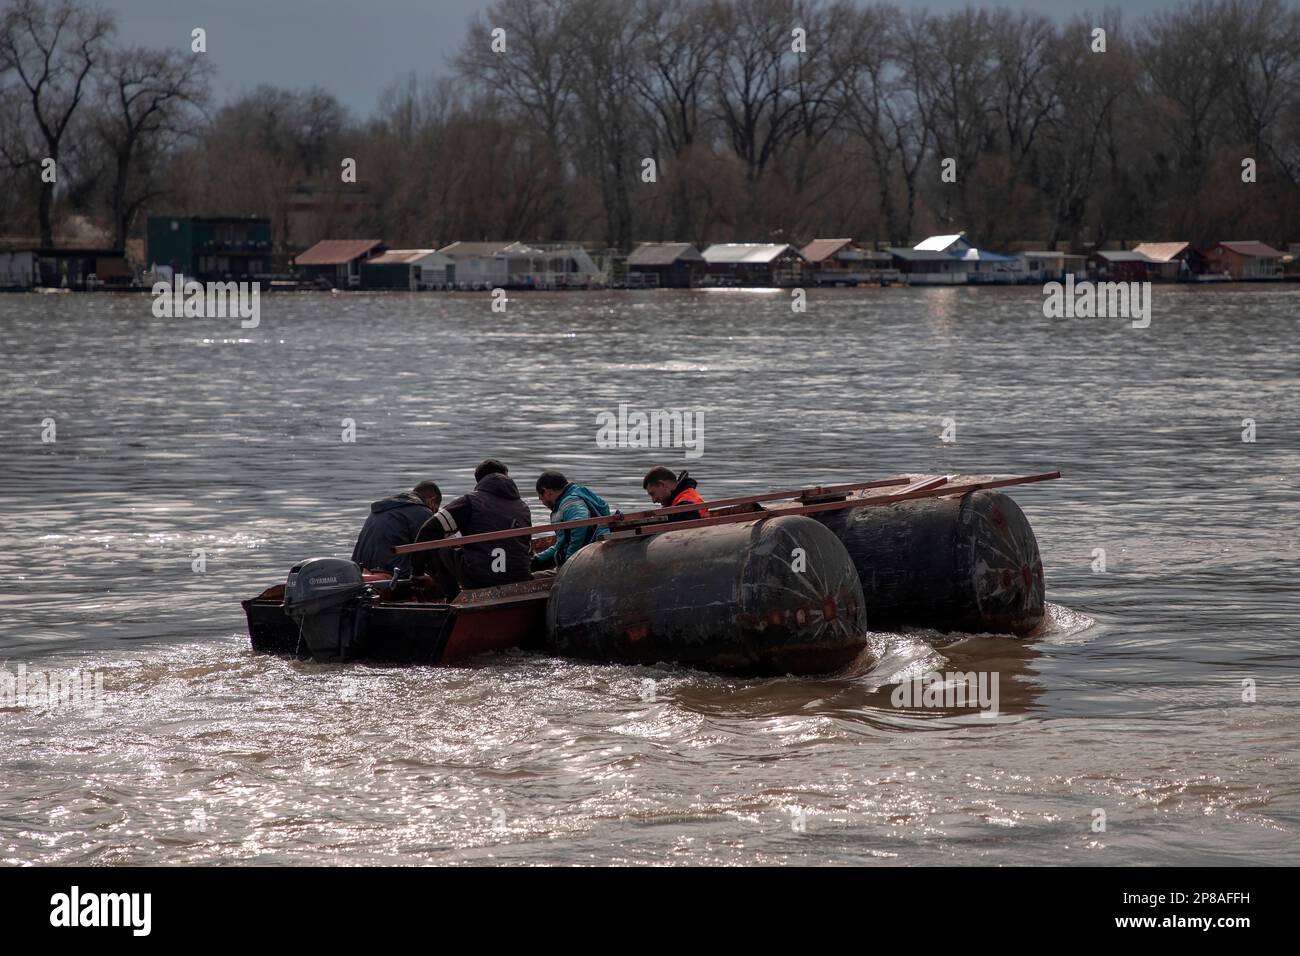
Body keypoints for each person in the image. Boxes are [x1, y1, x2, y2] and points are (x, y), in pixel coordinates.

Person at [414, 459, 532, 597]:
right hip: (520, 577)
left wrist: (416, 572)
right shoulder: (522, 507)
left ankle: (453, 599)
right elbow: (527, 547)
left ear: (479, 481)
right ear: (506, 476)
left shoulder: (469, 502)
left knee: (439, 545)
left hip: (479, 579)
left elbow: (428, 530)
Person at [351, 480, 442, 574]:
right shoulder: (421, 511)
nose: (433, 513)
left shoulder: (382, 508)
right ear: (432, 500)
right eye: (435, 509)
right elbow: (432, 552)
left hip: (358, 569)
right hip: (393, 571)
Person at [531, 471, 611, 571]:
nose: (539, 499)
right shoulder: (581, 493)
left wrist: (570, 560)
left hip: (587, 560)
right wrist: (538, 559)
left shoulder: (569, 502)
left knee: (533, 577)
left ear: (547, 492)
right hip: (598, 550)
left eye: (540, 496)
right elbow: (561, 543)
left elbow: (580, 524)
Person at [642, 466, 708, 522]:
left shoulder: (685, 506)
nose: (654, 501)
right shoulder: (680, 500)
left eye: (652, 494)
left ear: (662, 485)